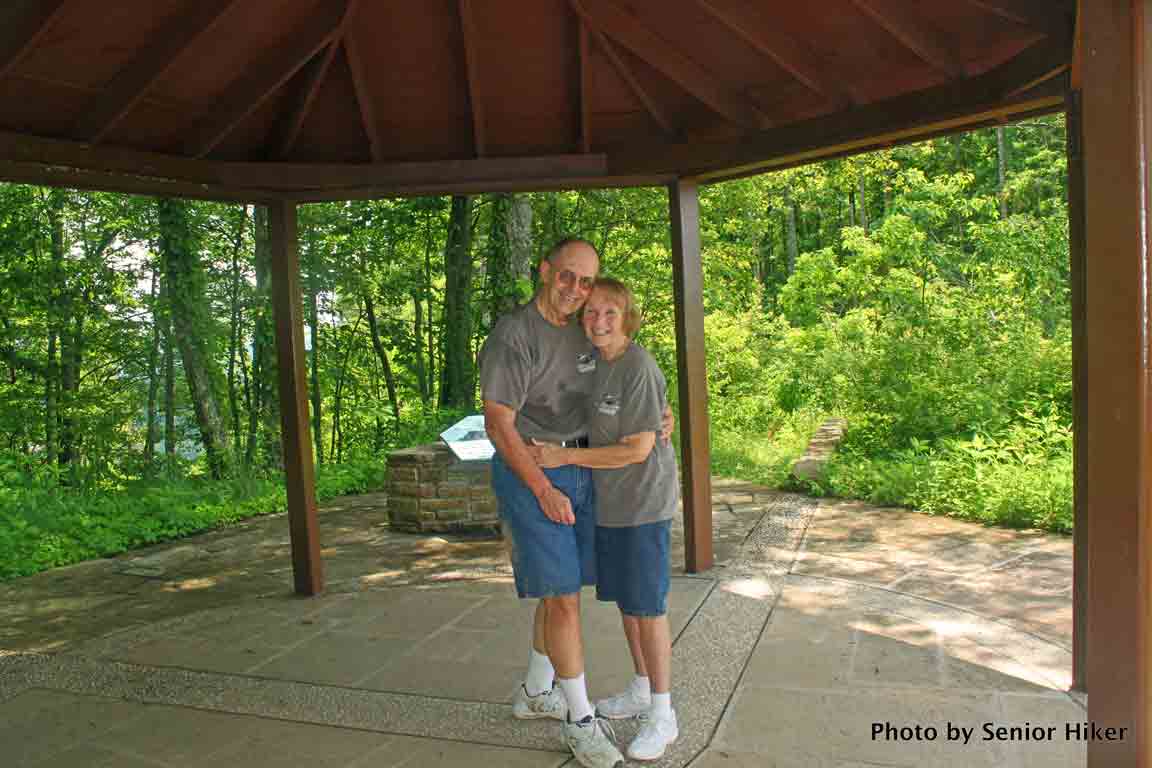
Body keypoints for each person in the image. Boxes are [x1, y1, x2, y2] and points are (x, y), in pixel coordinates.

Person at [479, 238, 625, 768]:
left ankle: (537, 691)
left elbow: (613, 384)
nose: (576, 290)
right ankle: (580, 720)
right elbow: (499, 424)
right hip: (531, 474)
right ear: (545, 272)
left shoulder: (586, 328)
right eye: (567, 277)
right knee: (563, 597)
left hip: (577, 467)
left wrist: (653, 418)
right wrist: (542, 488)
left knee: (560, 589)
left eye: (586, 282)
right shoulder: (514, 335)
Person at [530, 277, 680, 762]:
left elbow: (637, 450)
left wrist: (563, 459)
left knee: (649, 609)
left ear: (627, 317)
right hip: (610, 505)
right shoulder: (595, 363)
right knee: (629, 605)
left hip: (643, 502)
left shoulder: (637, 364)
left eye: (609, 313)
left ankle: (663, 714)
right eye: (591, 312)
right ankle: (641, 688)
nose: (598, 321)